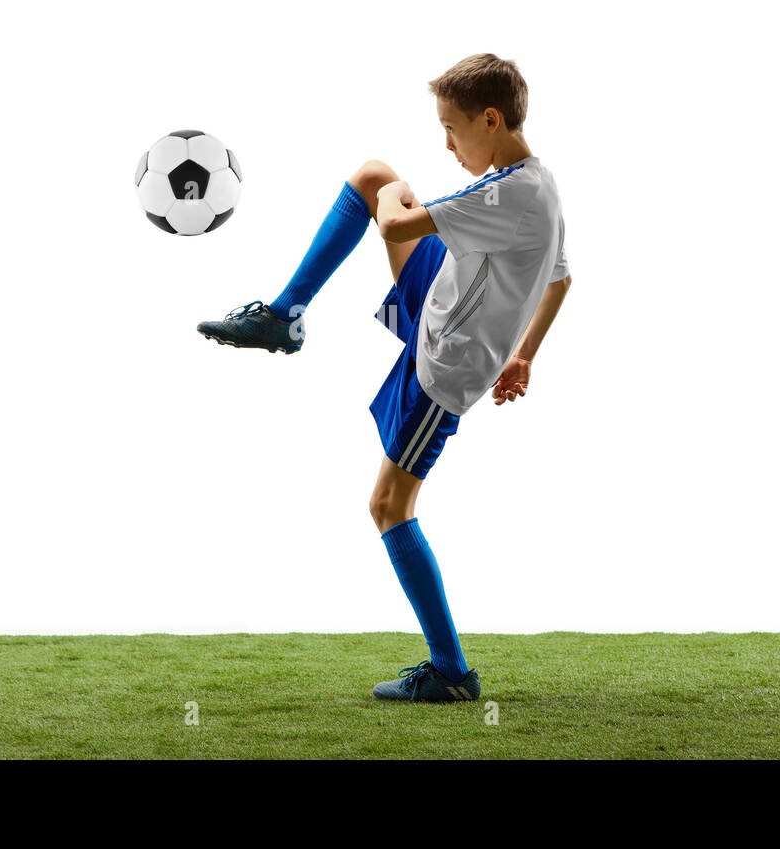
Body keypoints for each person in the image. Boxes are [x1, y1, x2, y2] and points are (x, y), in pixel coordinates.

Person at [197, 54, 573, 702]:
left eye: (453, 130)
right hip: (444, 295)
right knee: (374, 175)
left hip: (445, 365)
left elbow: (398, 222)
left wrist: (408, 205)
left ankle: (452, 674)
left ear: (491, 118)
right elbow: (561, 277)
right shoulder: (537, 183)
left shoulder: (504, 194)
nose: (447, 145)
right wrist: (526, 354)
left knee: (387, 507)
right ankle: (283, 316)